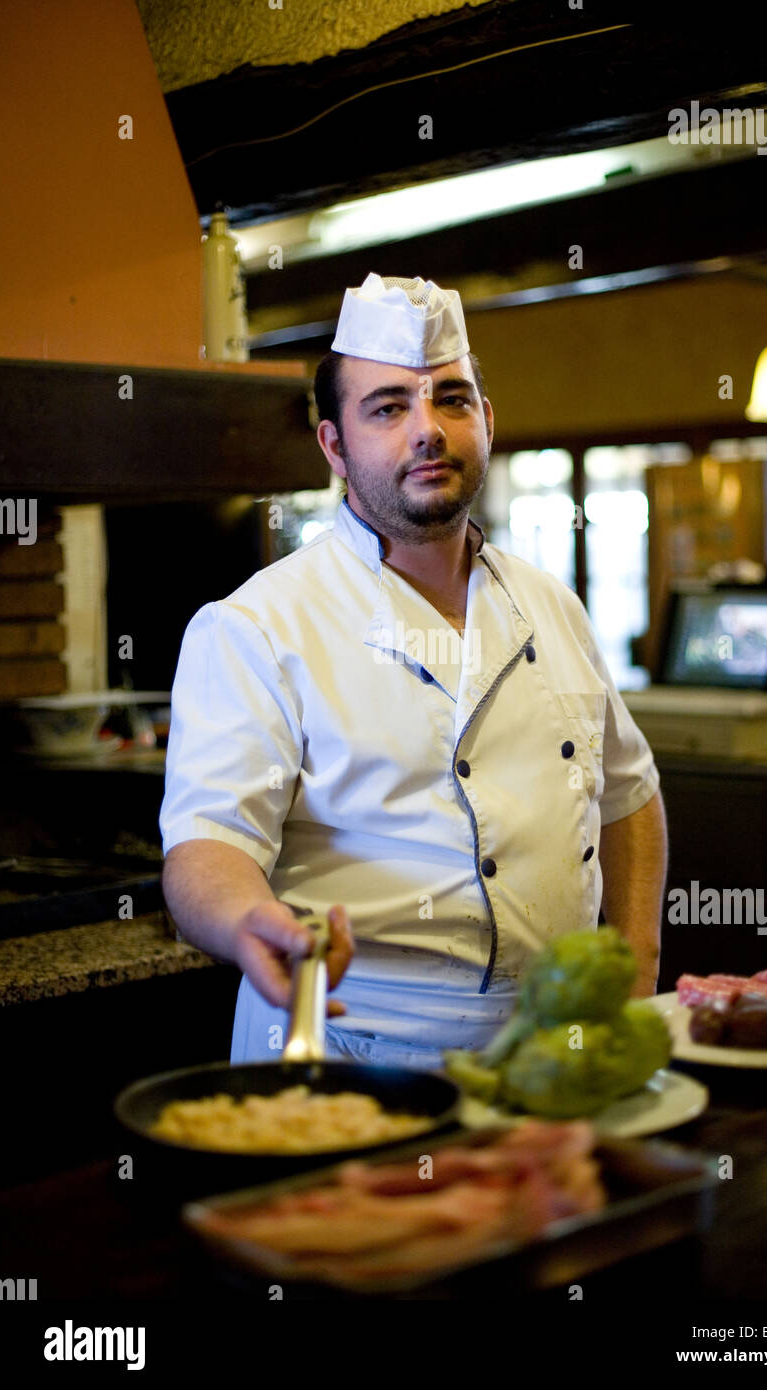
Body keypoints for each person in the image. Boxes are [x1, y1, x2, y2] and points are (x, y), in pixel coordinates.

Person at [160, 273, 668, 1071]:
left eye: (452, 399)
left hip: (551, 1048)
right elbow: (206, 847)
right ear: (334, 445)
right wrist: (245, 920)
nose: (427, 430)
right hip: (353, 1050)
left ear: (486, 422)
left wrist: (637, 978)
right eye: (388, 407)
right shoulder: (254, 627)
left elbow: (630, 795)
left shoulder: (551, 605)